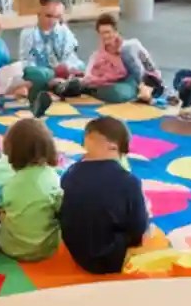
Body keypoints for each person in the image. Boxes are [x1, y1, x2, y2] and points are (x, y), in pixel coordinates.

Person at [60, 117, 149, 274]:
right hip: (110, 258)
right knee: (144, 221)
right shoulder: (129, 182)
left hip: (76, 251)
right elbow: (137, 229)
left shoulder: (70, 173)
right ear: (115, 148)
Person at [0, 118, 63, 261]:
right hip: (47, 248)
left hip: (11, 248)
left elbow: (9, 208)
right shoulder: (53, 178)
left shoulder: (11, 182)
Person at [68, 13, 162, 104]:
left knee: (120, 93)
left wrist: (150, 84)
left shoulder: (132, 46)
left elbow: (150, 67)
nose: (105, 36)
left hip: (134, 81)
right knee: (117, 93)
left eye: (108, 32)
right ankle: (85, 89)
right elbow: (90, 75)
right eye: (102, 33)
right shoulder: (98, 55)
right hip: (109, 84)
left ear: (116, 32)